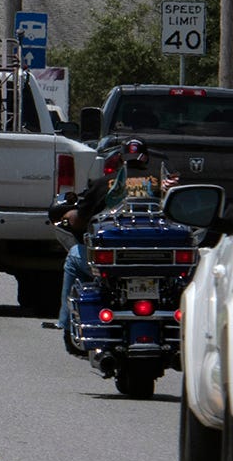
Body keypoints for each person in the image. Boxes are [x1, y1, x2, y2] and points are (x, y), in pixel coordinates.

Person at [51, 138, 169, 323]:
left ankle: (65, 323)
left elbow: (80, 222)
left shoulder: (103, 184)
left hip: (116, 263)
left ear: (121, 158)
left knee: (74, 256)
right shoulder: (161, 184)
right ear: (145, 158)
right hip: (159, 263)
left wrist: (68, 216)